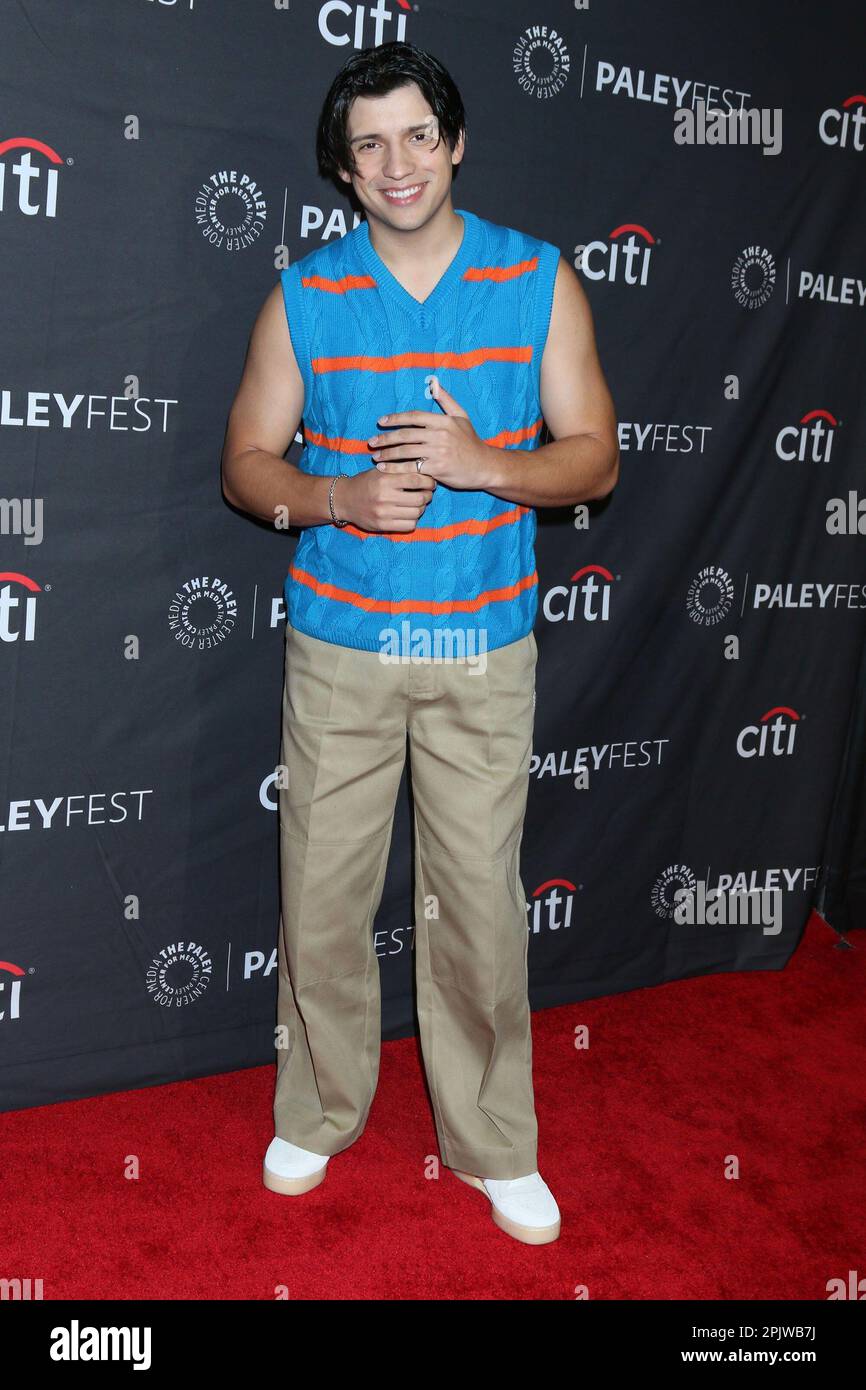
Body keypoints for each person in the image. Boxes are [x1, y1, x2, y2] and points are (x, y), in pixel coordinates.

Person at [221, 40, 619, 1246]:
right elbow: (245, 467)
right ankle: (322, 1107)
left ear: (455, 143)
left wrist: (478, 464)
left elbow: (593, 453)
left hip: (481, 650)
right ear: (343, 170)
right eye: (368, 145)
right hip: (339, 648)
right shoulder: (304, 293)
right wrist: (339, 497)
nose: (397, 163)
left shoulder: (537, 279)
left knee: (479, 909)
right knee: (323, 895)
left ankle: (494, 1142)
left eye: (416, 136)